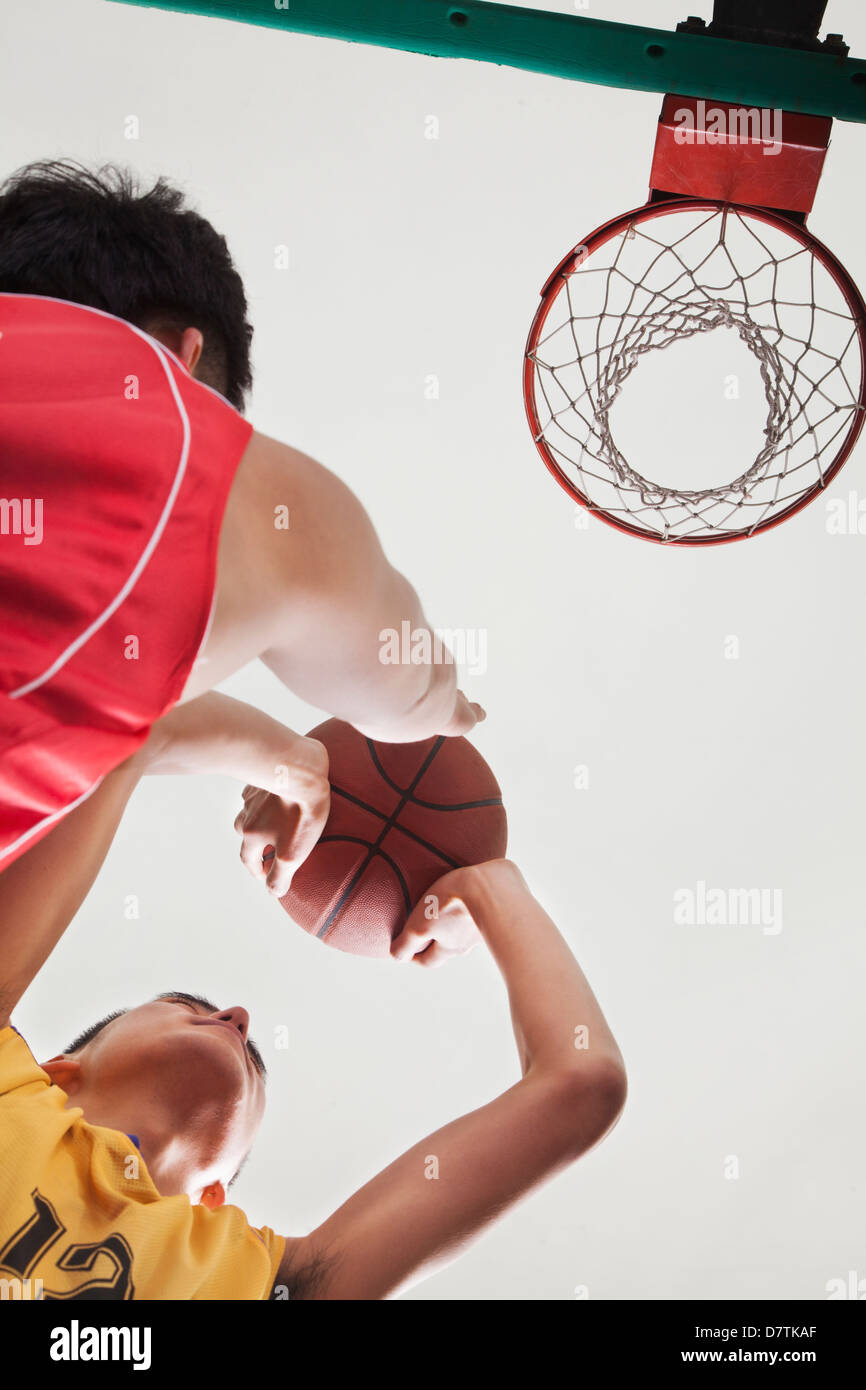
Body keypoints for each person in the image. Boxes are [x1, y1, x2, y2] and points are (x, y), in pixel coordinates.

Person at [0, 709, 627, 1300]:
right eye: (186, 1003)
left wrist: (493, 887)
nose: (238, 1020)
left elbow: (582, 1084)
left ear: (215, 1195)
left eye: (254, 1063)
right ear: (56, 1074)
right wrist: (285, 762)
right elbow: (120, 729)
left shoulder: (261, 1281)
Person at [0, 159, 481, 886]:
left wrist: (286, 759)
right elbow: (400, 690)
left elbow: (121, 724)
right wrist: (447, 702)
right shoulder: (194, 459)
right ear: (180, 359)